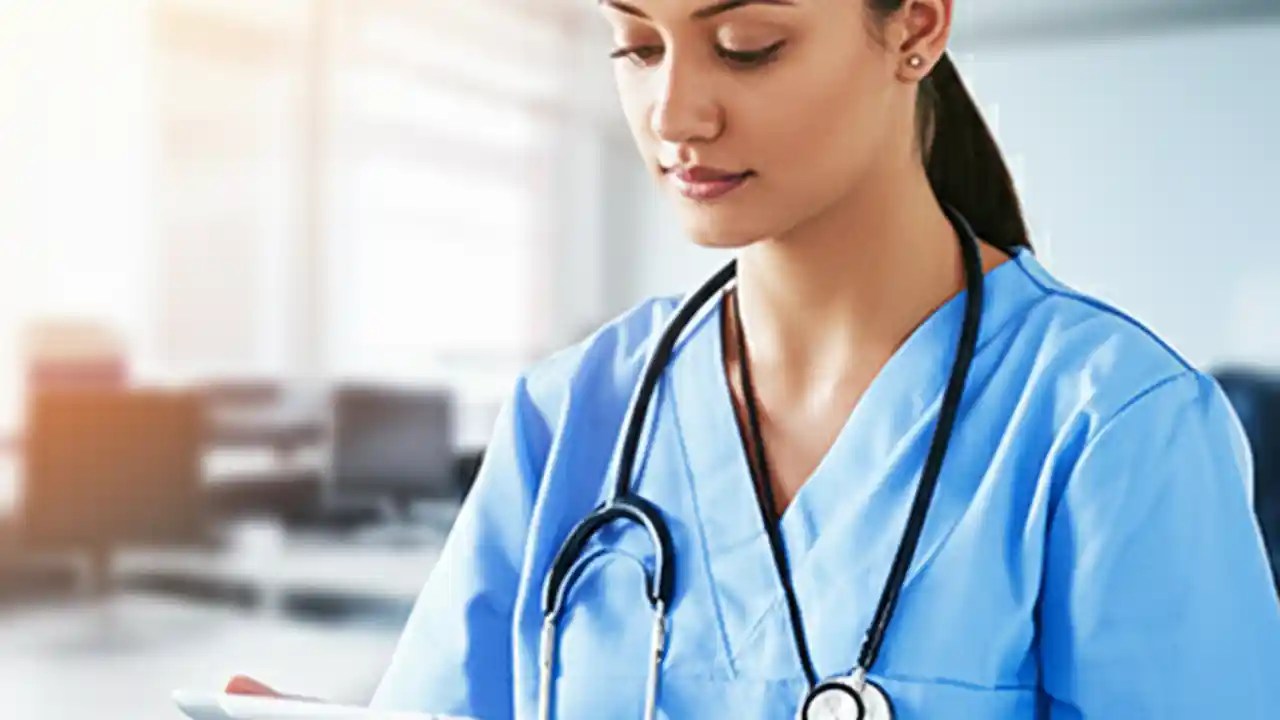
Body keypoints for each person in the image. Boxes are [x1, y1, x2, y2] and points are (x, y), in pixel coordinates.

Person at [230, 0, 1280, 717]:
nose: (675, 115)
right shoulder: (573, 414)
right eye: (637, 44)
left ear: (914, 24)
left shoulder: (1112, 427)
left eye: (744, 44)